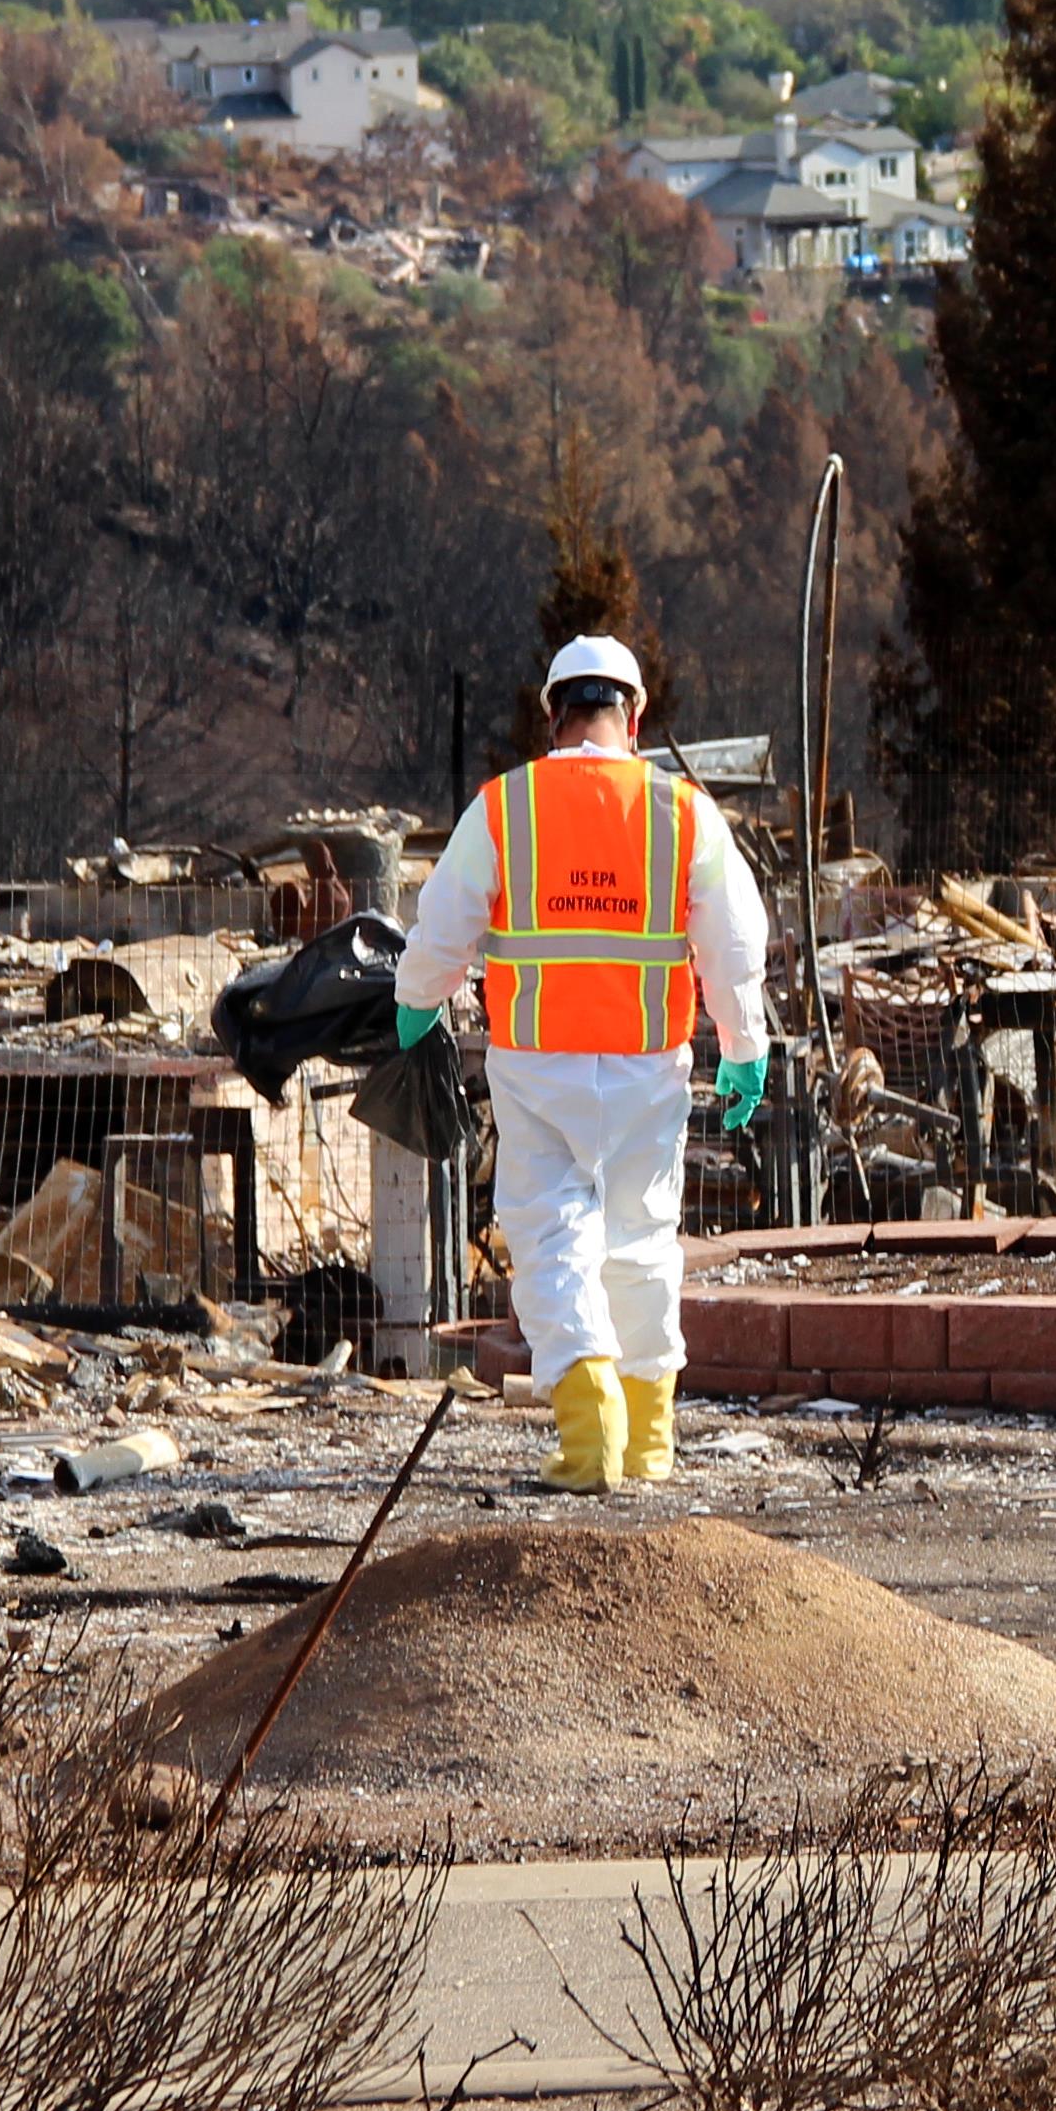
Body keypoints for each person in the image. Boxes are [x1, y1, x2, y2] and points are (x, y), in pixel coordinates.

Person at [394, 634, 775, 1493]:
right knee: (642, 1239)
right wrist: (744, 1048)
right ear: (633, 716)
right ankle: (647, 1438)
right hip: (649, 1067)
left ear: (552, 715)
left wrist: (416, 1003)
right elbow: (734, 944)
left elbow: (443, 927)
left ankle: (587, 1421)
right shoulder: (684, 812)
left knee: (550, 1235)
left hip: (538, 1067)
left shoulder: (505, 807)